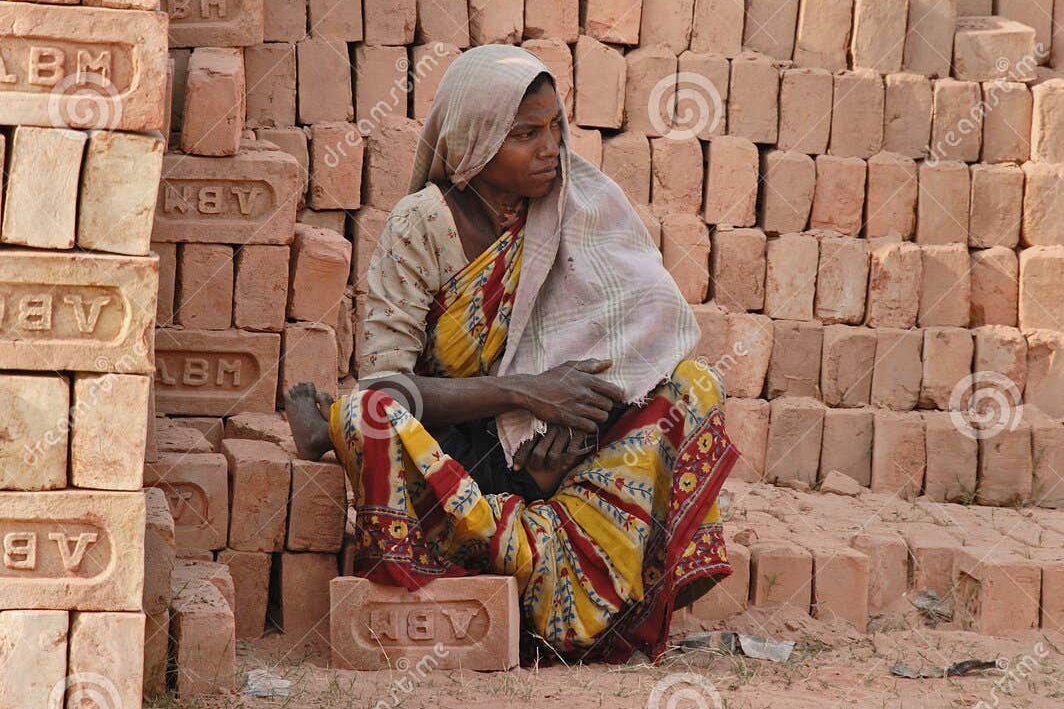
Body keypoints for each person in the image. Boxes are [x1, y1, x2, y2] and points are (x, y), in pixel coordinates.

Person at [285, 43, 738, 662]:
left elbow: (637, 330)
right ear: (474, 142)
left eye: (555, 126)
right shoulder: (423, 224)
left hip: (562, 447)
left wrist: (578, 419)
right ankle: (346, 451)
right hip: (457, 449)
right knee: (368, 417)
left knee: (692, 384)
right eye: (525, 133)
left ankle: (611, 580)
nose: (550, 146)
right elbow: (387, 386)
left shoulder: (577, 204)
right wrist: (528, 392)